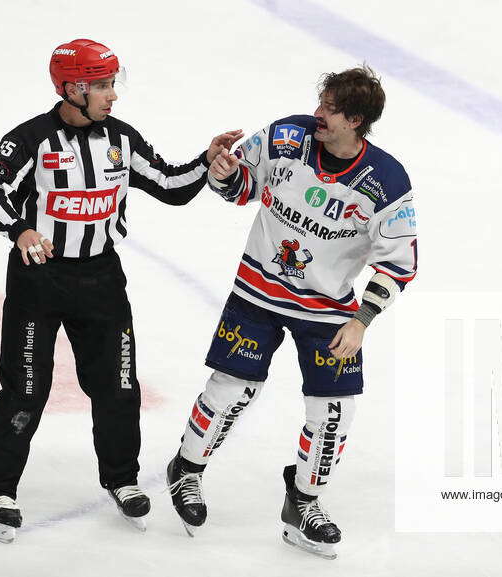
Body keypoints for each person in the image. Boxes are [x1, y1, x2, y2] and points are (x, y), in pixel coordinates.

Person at [0, 38, 242, 543]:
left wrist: (207, 160)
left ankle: (122, 480)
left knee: (118, 387)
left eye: (112, 83)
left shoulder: (120, 138)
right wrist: (20, 230)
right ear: (72, 88)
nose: (112, 95)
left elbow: (169, 184)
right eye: (101, 85)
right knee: (27, 388)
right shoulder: (30, 140)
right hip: (39, 279)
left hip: (101, 279)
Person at [166, 66, 418, 559]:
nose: (318, 114)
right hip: (258, 290)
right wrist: (224, 174)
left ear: (357, 120)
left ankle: (302, 503)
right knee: (233, 389)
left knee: (333, 415)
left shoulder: (387, 181)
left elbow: (400, 260)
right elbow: (242, 188)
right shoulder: (286, 135)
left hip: (328, 310)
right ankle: (186, 470)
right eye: (320, 103)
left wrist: (362, 319)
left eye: (330, 109)